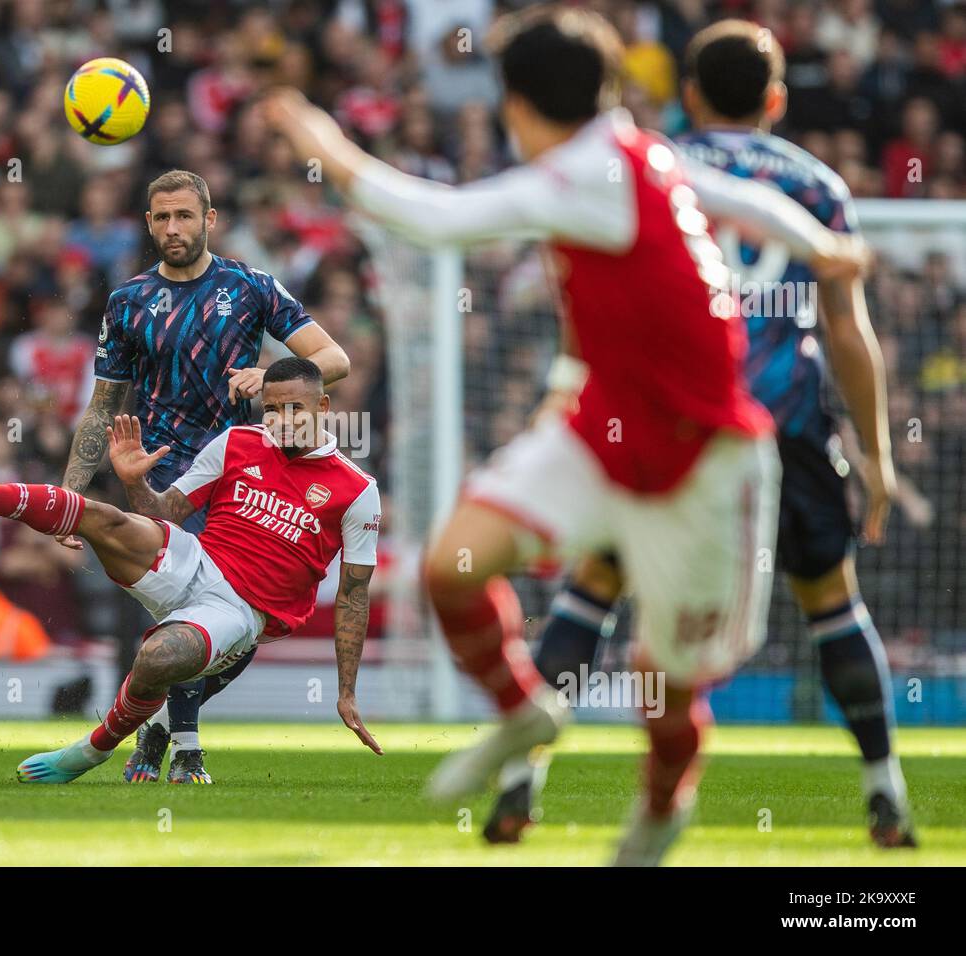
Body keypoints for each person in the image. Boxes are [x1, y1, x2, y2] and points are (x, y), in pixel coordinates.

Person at [265, 4, 869, 864]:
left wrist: (319, 140)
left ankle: (658, 816)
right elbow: (739, 197)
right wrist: (822, 244)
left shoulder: (585, 174)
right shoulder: (629, 150)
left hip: (705, 458)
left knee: (665, 695)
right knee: (452, 566)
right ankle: (526, 710)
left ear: (515, 104)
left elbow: (434, 218)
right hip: (601, 431)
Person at [483, 20, 915, 850]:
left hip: (660, 419)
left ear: (688, 93)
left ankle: (520, 776)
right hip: (780, 425)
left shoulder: (652, 165)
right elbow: (850, 333)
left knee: (594, 590)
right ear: (777, 100)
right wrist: (878, 457)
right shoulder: (817, 186)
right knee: (830, 600)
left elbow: (590, 301)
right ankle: (883, 789)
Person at [0, 358, 382, 782]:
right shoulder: (237, 443)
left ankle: (93, 749)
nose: (282, 420)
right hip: (196, 560)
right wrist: (133, 480)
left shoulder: (356, 490)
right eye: (273, 409)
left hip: (243, 609)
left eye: (294, 409)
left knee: (159, 658)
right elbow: (165, 512)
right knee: (108, 519)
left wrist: (347, 692)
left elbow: (353, 595)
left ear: (322, 405)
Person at [56, 169, 351, 785]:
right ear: (148, 224)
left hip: (239, 474)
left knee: (233, 616)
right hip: (156, 476)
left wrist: (268, 376)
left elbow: (334, 359)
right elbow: (102, 406)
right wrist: (72, 492)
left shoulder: (250, 287)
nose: (173, 229)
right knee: (163, 617)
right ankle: (170, 738)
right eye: (161, 218)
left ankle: (164, 734)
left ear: (209, 220)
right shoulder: (128, 302)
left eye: (184, 216)